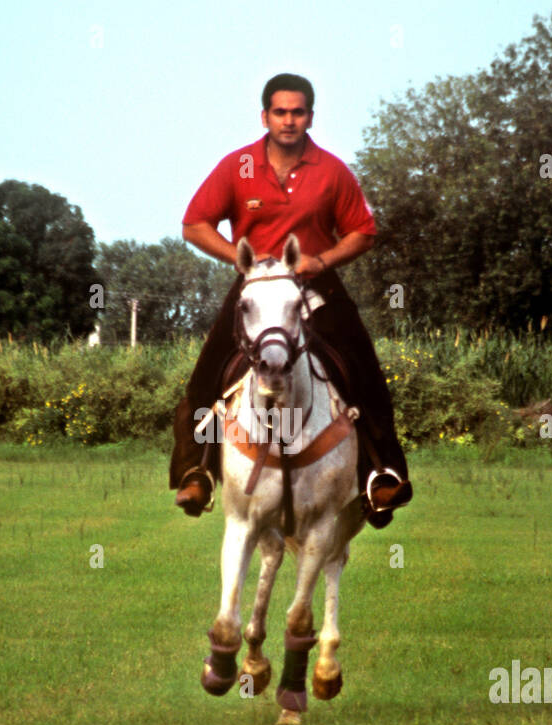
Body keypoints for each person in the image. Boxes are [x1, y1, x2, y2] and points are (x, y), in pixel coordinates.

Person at [170, 73, 412, 528]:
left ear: (310, 117)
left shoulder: (332, 170)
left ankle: (383, 476)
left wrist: (322, 260)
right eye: (280, 112)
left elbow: (364, 231)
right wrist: (239, 260)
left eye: (297, 112)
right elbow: (194, 224)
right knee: (206, 377)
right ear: (265, 116)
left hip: (318, 291)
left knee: (364, 374)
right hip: (258, 291)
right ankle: (196, 470)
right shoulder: (237, 166)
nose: (289, 120)